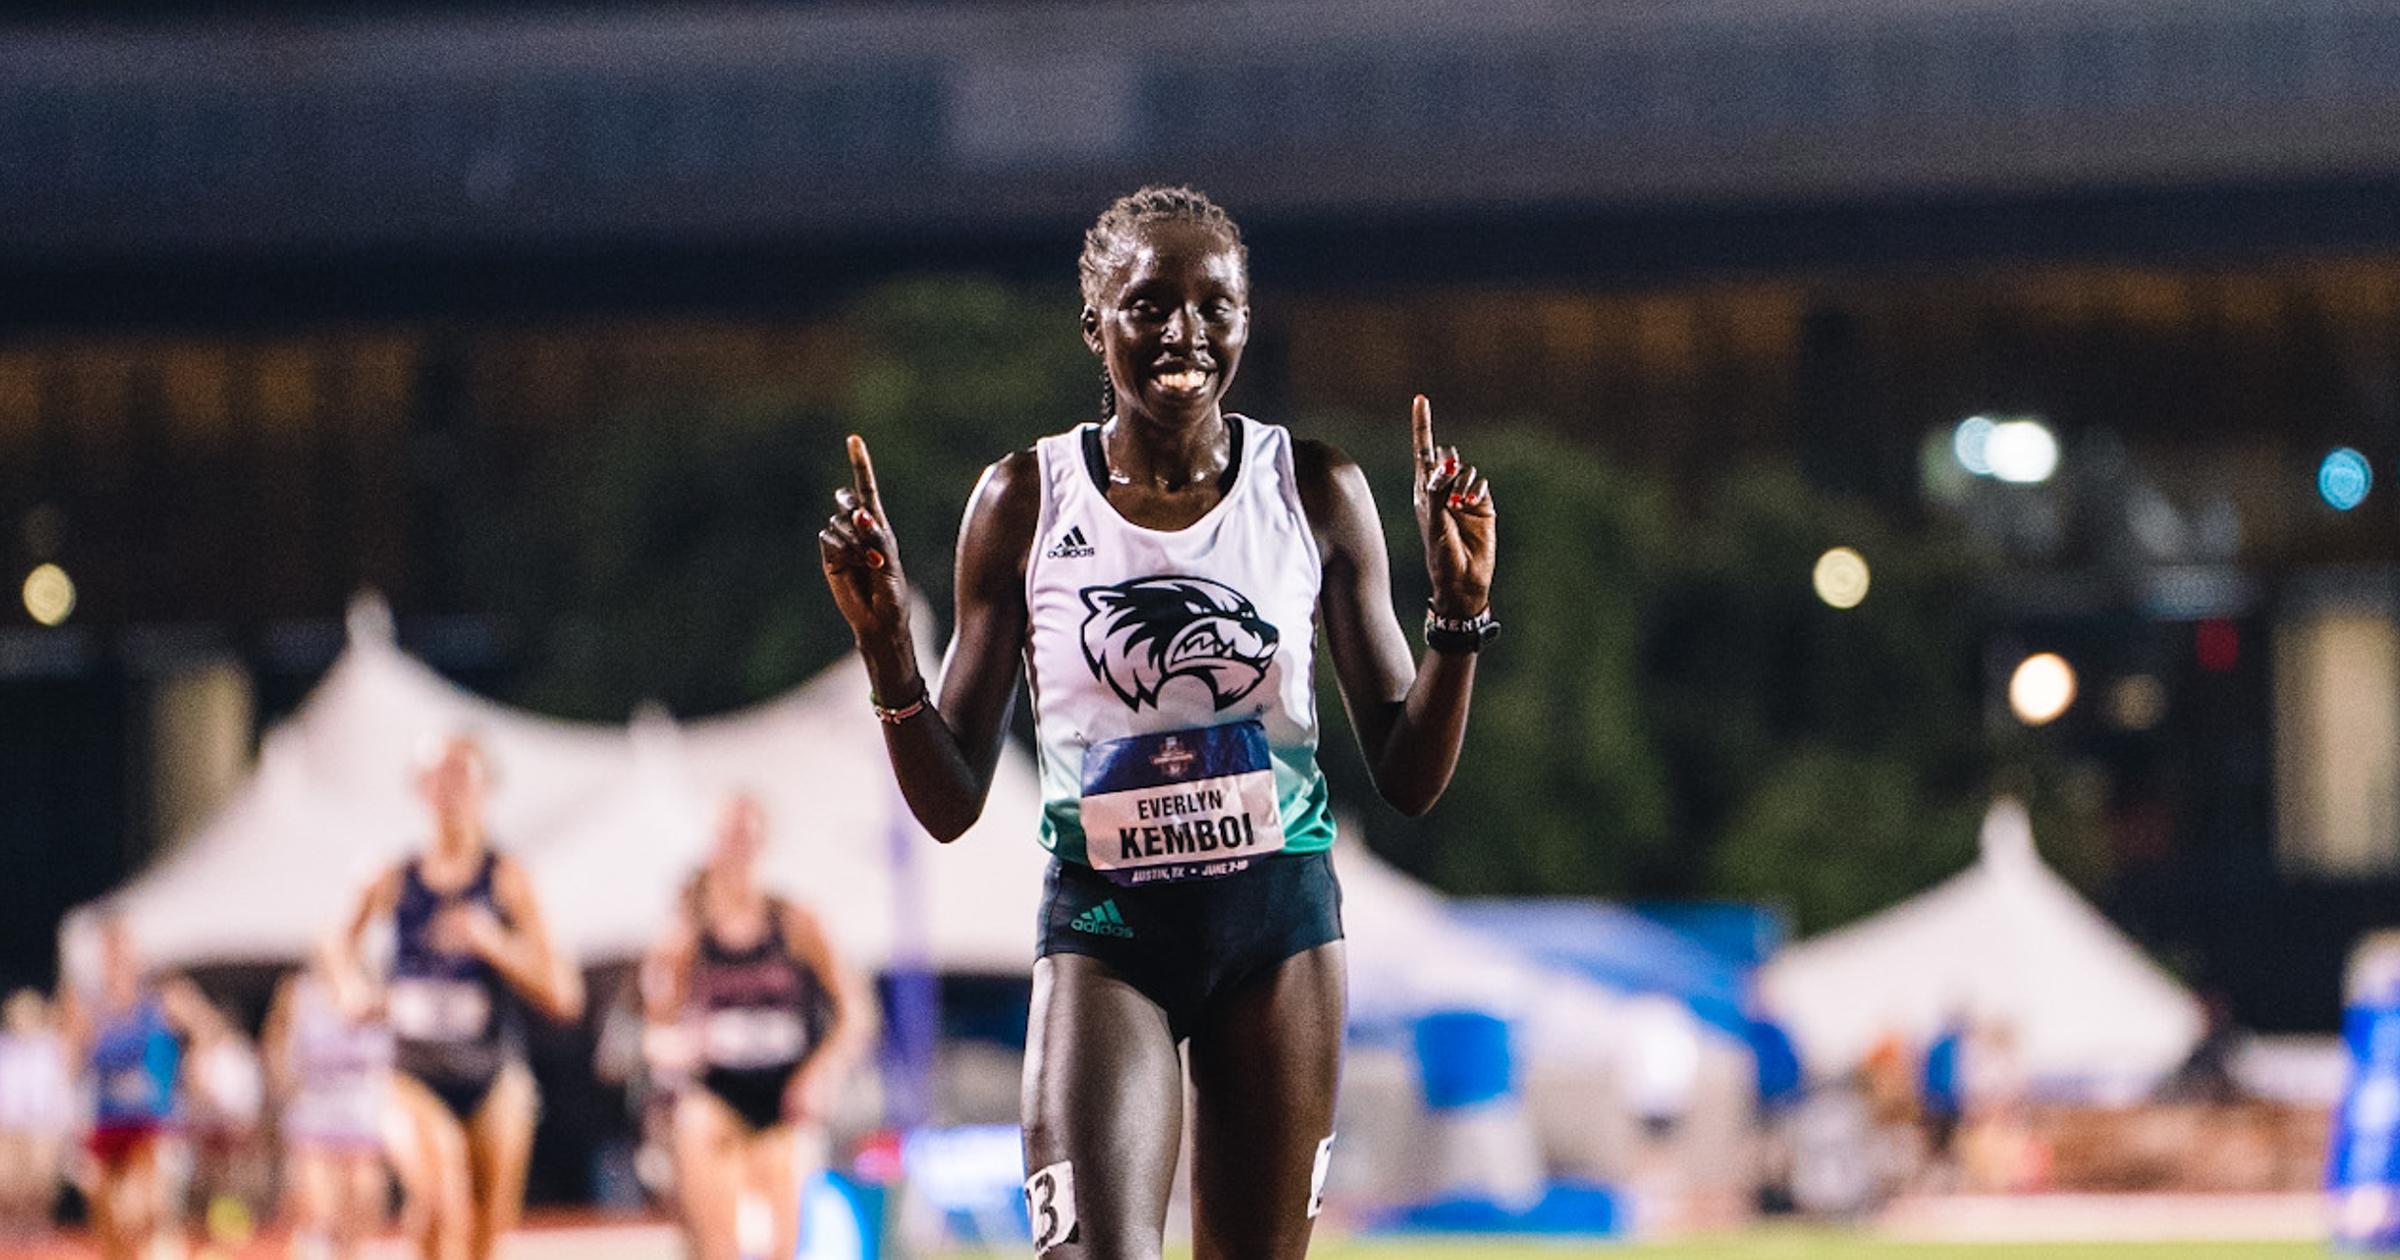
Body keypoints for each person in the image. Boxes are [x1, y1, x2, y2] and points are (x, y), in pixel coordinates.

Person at [819, 184, 1496, 1259]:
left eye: (1213, 307)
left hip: (1275, 938)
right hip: (1105, 941)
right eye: (1149, 305)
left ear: (1244, 322)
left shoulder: (1314, 490)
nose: (1184, 332)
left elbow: (1409, 775)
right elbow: (949, 801)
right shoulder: (1025, 501)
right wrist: (885, 648)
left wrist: (1459, 618)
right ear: (1098, 325)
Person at [329, 735, 583, 1260]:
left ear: (486, 788)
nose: (450, 789)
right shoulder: (394, 878)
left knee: (484, 1232)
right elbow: (334, 944)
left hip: (492, 1073)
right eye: (438, 776)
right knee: (444, 1194)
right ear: (420, 788)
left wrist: (494, 943)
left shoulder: (508, 879)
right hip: (413, 1074)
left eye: (462, 776)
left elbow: (563, 993)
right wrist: (352, 990)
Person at [643, 793, 872, 1260]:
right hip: (716, 1095)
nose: (737, 848)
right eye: (729, 837)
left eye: (746, 836)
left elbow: (855, 1012)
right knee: (719, 1239)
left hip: (786, 1098)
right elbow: (654, 1035)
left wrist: (821, 1072)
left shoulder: (795, 922)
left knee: (781, 1245)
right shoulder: (686, 934)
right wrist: (680, 1046)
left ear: (764, 843)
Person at [58, 916, 230, 1260]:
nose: (116, 960)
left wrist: (198, 1064)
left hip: (153, 1122)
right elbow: (71, 1064)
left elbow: (210, 1028)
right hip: (107, 1122)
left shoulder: (163, 998)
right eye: (109, 953)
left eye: (122, 951)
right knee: (111, 1225)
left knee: (145, 1214)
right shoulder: (89, 1005)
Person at [261, 955, 394, 1260]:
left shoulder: (374, 991)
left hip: (361, 1117)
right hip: (313, 1115)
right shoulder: (299, 993)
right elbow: (277, 1046)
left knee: (361, 1210)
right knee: (317, 1213)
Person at [0, 989, 73, 1237]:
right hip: (8, 1131)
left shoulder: (51, 1048)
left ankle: (38, 1233)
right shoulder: (5, 1049)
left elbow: (60, 1095)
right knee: (6, 1181)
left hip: (43, 1130)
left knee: (40, 1183)